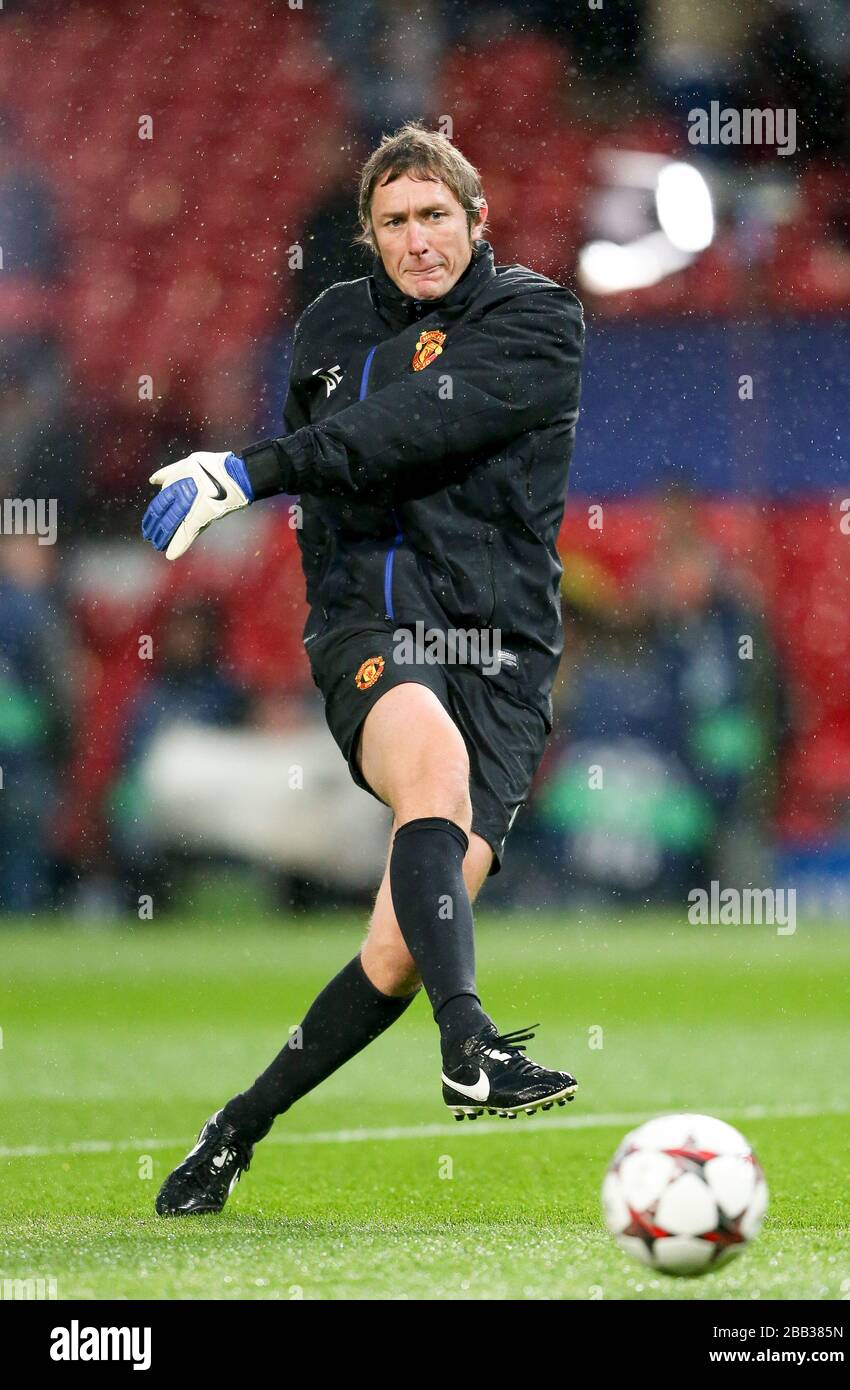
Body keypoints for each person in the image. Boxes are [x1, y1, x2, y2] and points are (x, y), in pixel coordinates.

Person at [142, 124, 585, 1215]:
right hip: (376, 617)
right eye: (394, 221)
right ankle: (471, 1044)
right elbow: (336, 469)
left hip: (505, 654)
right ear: (368, 235)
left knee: (396, 949)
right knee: (428, 779)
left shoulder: (537, 319)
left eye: (437, 215)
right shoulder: (331, 326)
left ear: (479, 223)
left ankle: (231, 1132)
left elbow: (406, 427)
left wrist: (248, 469)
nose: (418, 239)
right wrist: (331, 601)